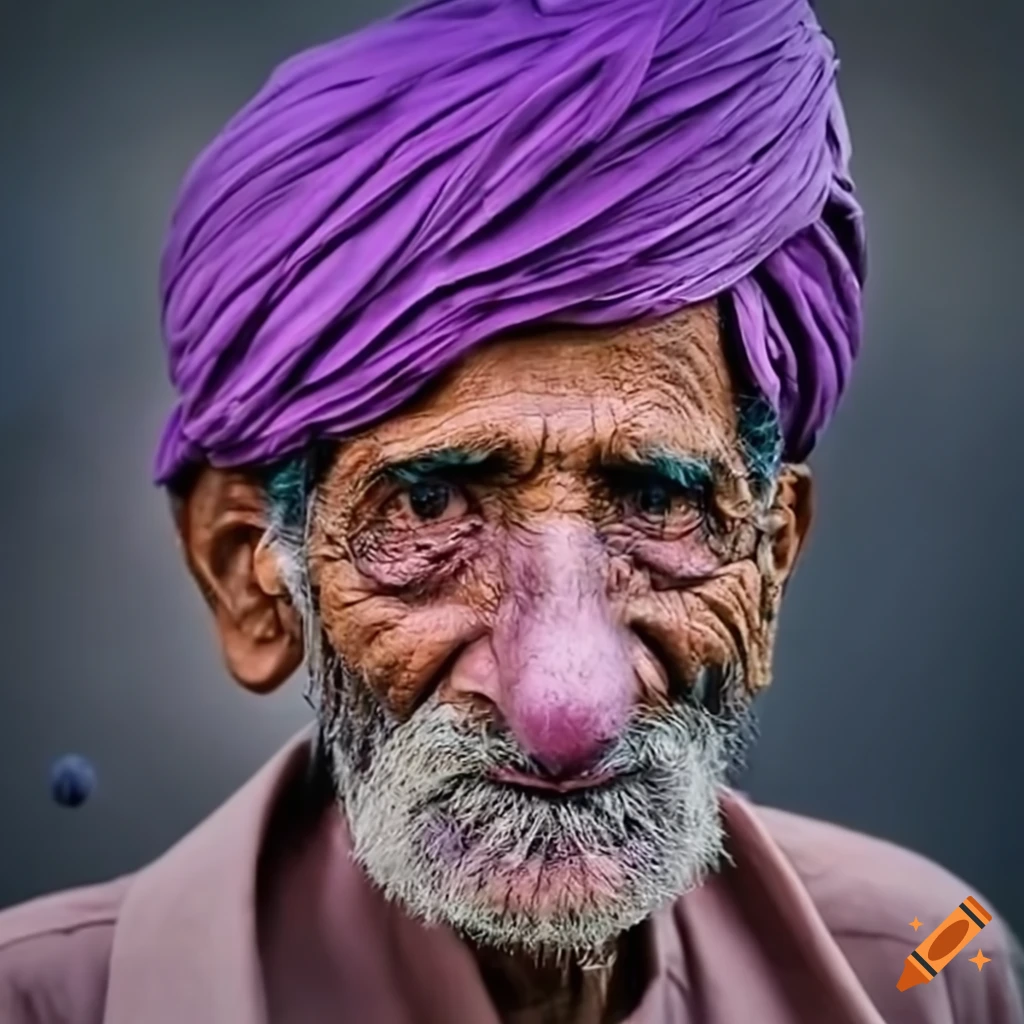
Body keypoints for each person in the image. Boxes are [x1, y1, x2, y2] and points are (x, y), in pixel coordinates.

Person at [2, 0, 1022, 1021]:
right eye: (430, 503)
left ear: (768, 563)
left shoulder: (927, 964)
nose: (566, 708)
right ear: (250, 573)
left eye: (660, 500)